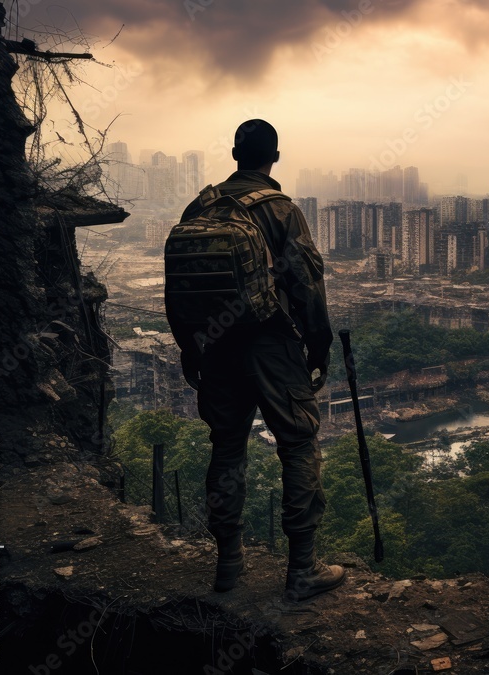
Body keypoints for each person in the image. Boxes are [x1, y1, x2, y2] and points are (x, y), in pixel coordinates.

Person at [169, 119, 344, 601]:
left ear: (233, 154)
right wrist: (319, 345)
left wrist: (190, 346)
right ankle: (302, 569)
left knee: (226, 448)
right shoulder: (281, 209)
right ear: (276, 158)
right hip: (271, 344)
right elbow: (307, 284)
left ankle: (228, 563)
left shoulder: (198, 208)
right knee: (298, 445)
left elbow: (179, 289)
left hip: (215, 346)